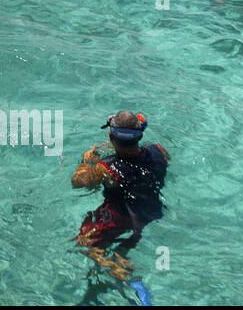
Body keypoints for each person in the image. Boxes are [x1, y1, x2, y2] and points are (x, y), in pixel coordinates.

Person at [71, 111, 169, 285]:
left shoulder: (105, 168)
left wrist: (87, 162)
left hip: (120, 215)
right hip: (151, 210)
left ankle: (119, 272)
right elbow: (139, 159)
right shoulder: (159, 151)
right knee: (124, 243)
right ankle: (121, 256)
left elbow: (79, 182)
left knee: (84, 242)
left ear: (110, 135)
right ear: (140, 136)